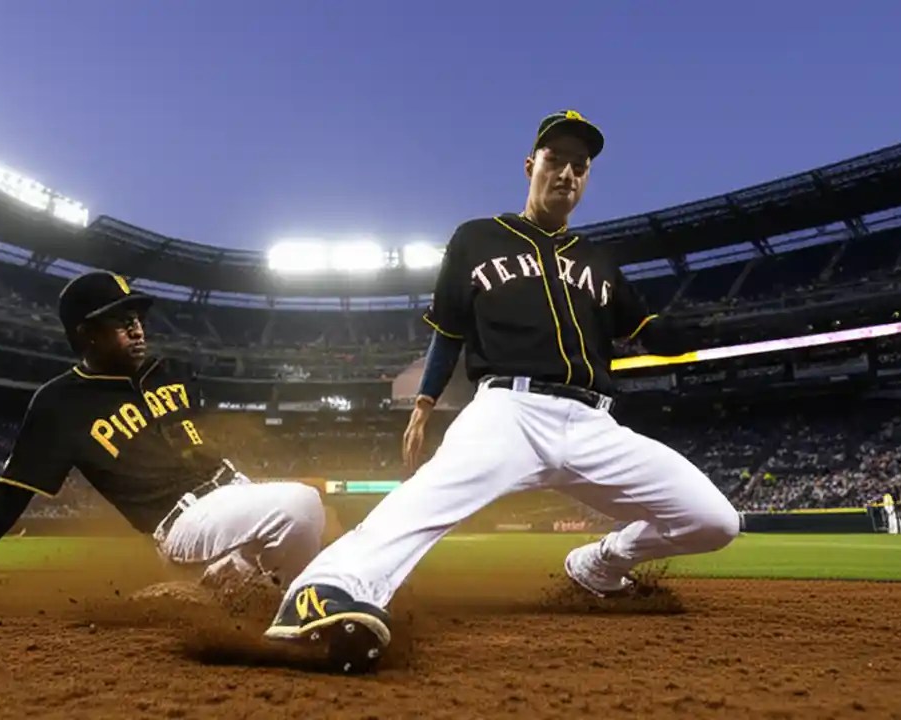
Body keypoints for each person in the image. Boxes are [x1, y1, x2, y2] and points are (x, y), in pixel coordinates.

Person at [264, 110, 740, 673]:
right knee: (427, 499)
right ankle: (323, 588)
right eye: (555, 159)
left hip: (593, 424)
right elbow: (448, 331)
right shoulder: (476, 238)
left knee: (715, 522)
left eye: (579, 166)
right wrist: (423, 403)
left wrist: (704, 329)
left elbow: (643, 330)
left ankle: (601, 565)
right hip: (508, 411)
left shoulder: (598, 260)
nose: (567, 172)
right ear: (529, 165)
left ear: (587, 179)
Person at [0, 271, 325, 598]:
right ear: (86, 333)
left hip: (232, 498)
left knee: (324, 534)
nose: (137, 329)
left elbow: (199, 446)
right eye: (121, 321)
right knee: (300, 505)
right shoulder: (59, 403)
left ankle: (205, 590)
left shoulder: (168, 372)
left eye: (139, 319)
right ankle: (254, 602)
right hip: (182, 522)